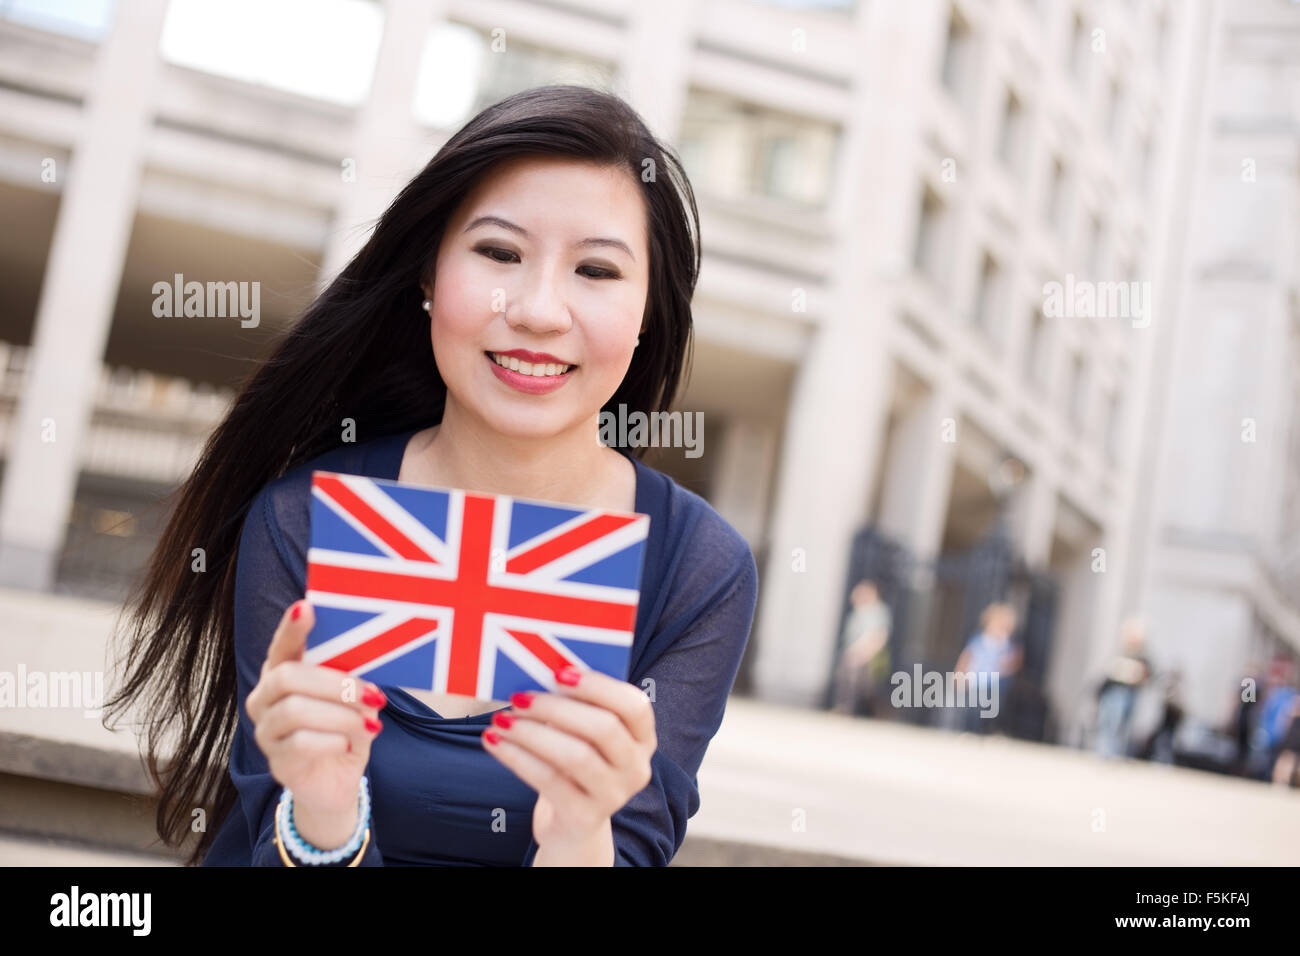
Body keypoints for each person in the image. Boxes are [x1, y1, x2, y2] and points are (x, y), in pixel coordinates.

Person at [103, 86, 759, 867]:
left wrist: (581, 833)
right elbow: (271, 824)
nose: (540, 310)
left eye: (596, 269)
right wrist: (323, 812)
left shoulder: (697, 569)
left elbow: (635, 845)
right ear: (427, 274)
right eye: (499, 253)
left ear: (650, 308)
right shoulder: (303, 519)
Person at [951, 603, 1021, 734]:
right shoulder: (979, 641)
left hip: (995, 684)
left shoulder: (1006, 646)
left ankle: (988, 730)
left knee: (993, 709)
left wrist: (1005, 666)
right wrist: (959, 675)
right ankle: (970, 730)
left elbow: (1014, 661)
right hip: (976, 682)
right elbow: (967, 657)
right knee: (973, 708)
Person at [1092, 616, 1152, 759]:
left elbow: (1147, 676)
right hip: (1113, 693)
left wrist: (1137, 674)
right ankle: (1105, 753)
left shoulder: (1142, 658)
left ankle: (1115, 753)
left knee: (1121, 725)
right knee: (1109, 723)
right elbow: (1107, 675)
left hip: (1129, 693)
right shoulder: (1120, 653)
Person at [831, 580, 892, 718]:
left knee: (865, 687)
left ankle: (853, 710)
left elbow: (878, 635)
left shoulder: (877, 612)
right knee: (855, 684)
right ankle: (846, 708)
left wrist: (863, 652)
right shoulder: (859, 611)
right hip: (853, 652)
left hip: (867, 655)